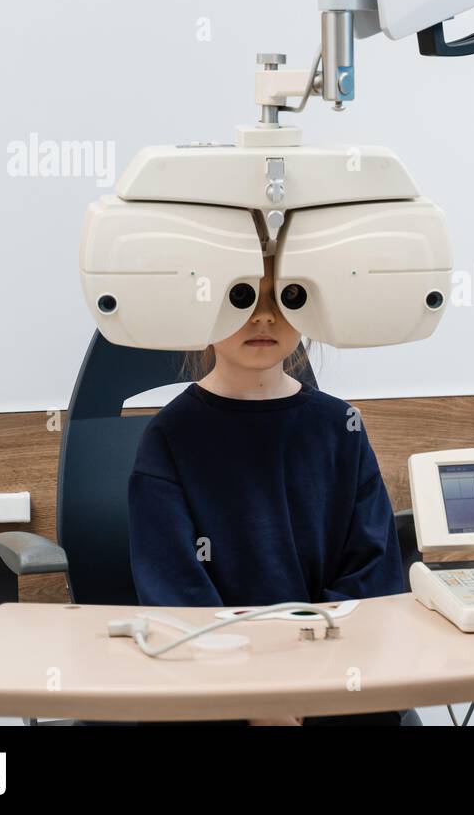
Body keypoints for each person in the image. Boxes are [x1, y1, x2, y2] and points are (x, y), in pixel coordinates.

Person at [128, 255, 407, 725]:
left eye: (285, 297)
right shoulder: (170, 437)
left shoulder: (342, 428)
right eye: (242, 297)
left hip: (333, 686)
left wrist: (303, 691)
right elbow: (175, 594)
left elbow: (371, 577)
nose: (263, 315)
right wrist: (256, 702)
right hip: (215, 692)